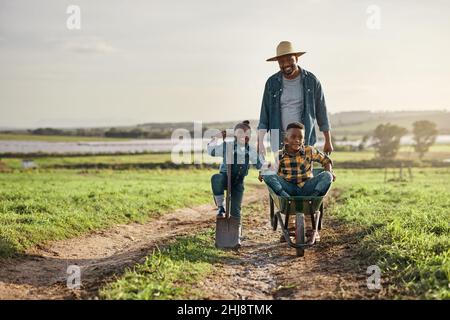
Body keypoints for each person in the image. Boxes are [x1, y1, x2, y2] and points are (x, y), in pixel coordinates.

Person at [259, 121, 336, 242]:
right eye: (293, 137)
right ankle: (289, 227)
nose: (297, 140)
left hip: (307, 188)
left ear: (304, 140)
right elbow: (271, 169)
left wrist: (330, 171)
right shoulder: (279, 155)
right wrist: (264, 171)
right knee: (267, 173)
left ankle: (311, 223)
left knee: (327, 176)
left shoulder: (309, 151)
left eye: (300, 137)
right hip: (287, 189)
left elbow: (326, 161)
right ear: (285, 140)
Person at [257, 41, 334, 155]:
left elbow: (321, 112)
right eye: (281, 61)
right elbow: (265, 116)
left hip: (304, 141)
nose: (286, 64)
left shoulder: (311, 81)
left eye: (289, 60)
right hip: (279, 142)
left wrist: (328, 140)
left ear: (297, 59)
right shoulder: (271, 83)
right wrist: (260, 141)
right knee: (281, 172)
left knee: (305, 172)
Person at [207, 120, 264, 219]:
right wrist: (216, 138)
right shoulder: (226, 146)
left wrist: (263, 171)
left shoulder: (250, 150)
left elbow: (260, 163)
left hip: (238, 182)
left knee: (235, 210)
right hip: (225, 178)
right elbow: (211, 151)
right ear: (234, 135)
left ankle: (236, 231)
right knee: (216, 178)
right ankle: (221, 207)